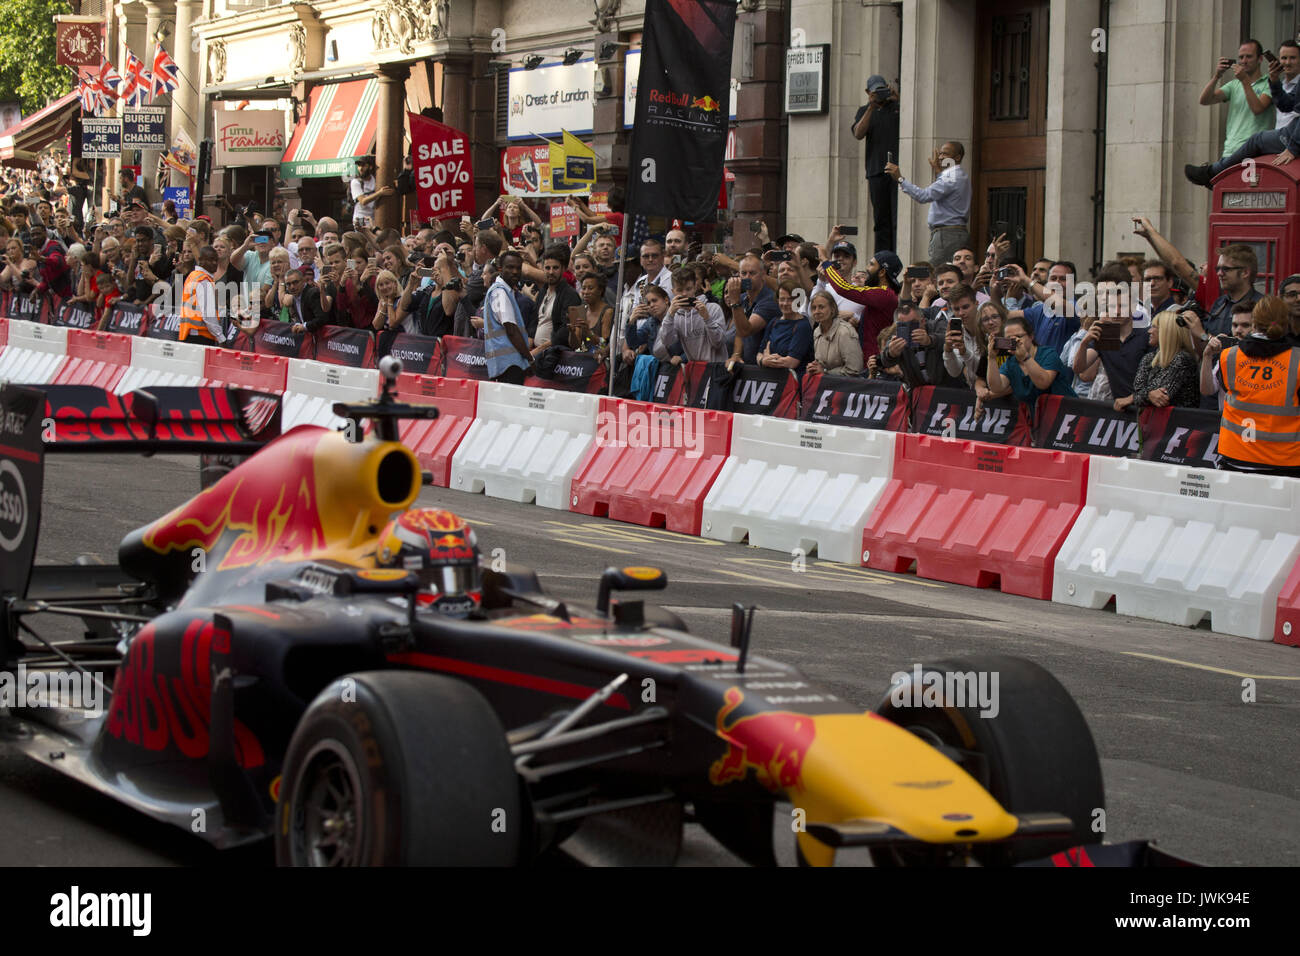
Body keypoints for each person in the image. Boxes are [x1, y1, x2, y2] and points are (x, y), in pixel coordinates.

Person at [1205, 295, 1300, 476]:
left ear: (1254, 323)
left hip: (1235, 455)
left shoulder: (1228, 356)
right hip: (1285, 460)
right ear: (1286, 323)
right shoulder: (1297, 360)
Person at [885, 141, 971, 266]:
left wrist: (900, 178)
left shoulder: (953, 176)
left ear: (957, 157)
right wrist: (939, 171)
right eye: (940, 153)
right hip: (950, 234)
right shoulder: (956, 175)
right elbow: (945, 190)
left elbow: (923, 196)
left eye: (946, 154)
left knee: (935, 273)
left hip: (947, 235)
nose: (941, 157)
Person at [1195, 40, 1273, 161]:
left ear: (1260, 59)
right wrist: (1217, 76)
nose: (1244, 61)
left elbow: (1257, 109)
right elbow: (1205, 100)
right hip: (1230, 150)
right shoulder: (1234, 84)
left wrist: (1244, 81)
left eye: (1249, 56)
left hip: (1254, 151)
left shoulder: (1269, 83)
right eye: (1241, 57)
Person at [852, 74, 900, 252]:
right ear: (868, 92)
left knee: (897, 218)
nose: (880, 95)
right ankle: (881, 259)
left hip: (896, 171)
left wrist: (898, 99)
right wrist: (871, 107)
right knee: (881, 220)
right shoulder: (864, 111)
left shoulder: (897, 108)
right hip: (876, 171)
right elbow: (858, 133)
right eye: (876, 91)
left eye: (882, 90)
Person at [1120, 310, 1200, 411]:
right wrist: (1146, 395)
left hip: (1179, 424)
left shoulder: (1183, 359)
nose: (1149, 331)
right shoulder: (1149, 358)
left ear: (1166, 331)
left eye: (1154, 327)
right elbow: (1139, 390)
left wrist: (1134, 398)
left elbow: (1161, 395)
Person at [984, 316, 1074, 404]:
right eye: (1009, 339)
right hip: (1040, 416)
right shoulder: (1010, 363)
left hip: (1067, 413)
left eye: (1019, 336)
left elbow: (1043, 383)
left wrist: (1025, 357)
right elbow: (996, 387)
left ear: (1031, 336)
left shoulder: (1048, 354)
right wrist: (991, 358)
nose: (1015, 341)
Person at [755, 280, 815, 377]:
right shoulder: (773, 322)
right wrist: (763, 360)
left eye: (790, 299)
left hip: (793, 383)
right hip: (772, 381)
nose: (785, 303)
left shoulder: (803, 326)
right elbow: (759, 354)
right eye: (782, 299)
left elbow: (792, 362)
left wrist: (768, 359)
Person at [531, 244, 582, 357]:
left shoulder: (570, 295)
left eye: (555, 268)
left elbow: (565, 330)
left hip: (556, 355)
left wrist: (540, 349)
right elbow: (534, 322)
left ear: (563, 268)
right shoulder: (543, 291)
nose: (551, 272)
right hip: (537, 353)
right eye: (547, 268)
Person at [806, 290, 863, 377]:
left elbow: (854, 369)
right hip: (826, 385)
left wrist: (825, 372)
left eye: (821, 307)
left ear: (832, 309)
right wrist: (814, 367)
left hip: (847, 386)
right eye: (814, 308)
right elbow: (821, 364)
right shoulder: (817, 332)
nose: (817, 311)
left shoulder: (845, 332)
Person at [179, 245, 223, 345]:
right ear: (201, 260)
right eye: (210, 260)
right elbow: (208, 315)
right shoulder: (204, 280)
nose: (215, 263)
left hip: (188, 333)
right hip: (201, 336)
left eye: (216, 260)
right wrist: (221, 337)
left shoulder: (193, 275)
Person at [571, 274, 613, 356]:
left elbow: (604, 345)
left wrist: (588, 333)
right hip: (581, 357)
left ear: (600, 290)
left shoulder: (607, 312)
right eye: (583, 288)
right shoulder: (581, 311)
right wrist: (571, 332)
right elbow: (576, 345)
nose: (586, 292)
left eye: (590, 288)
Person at [350, 156, 393, 229]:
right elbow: (363, 201)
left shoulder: (376, 179)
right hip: (360, 217)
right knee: (362, 237)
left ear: (370, 167)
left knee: (372, 239)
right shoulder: (355, 182)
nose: (360, 168)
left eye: (363, 166)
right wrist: (380, 193)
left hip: (373, 218)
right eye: (359, 166)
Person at [1267, 40, 1300, 129]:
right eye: (1284, 58)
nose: (1288, 63)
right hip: (1278, 139)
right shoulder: (1280, 85)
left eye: (1293, 58)